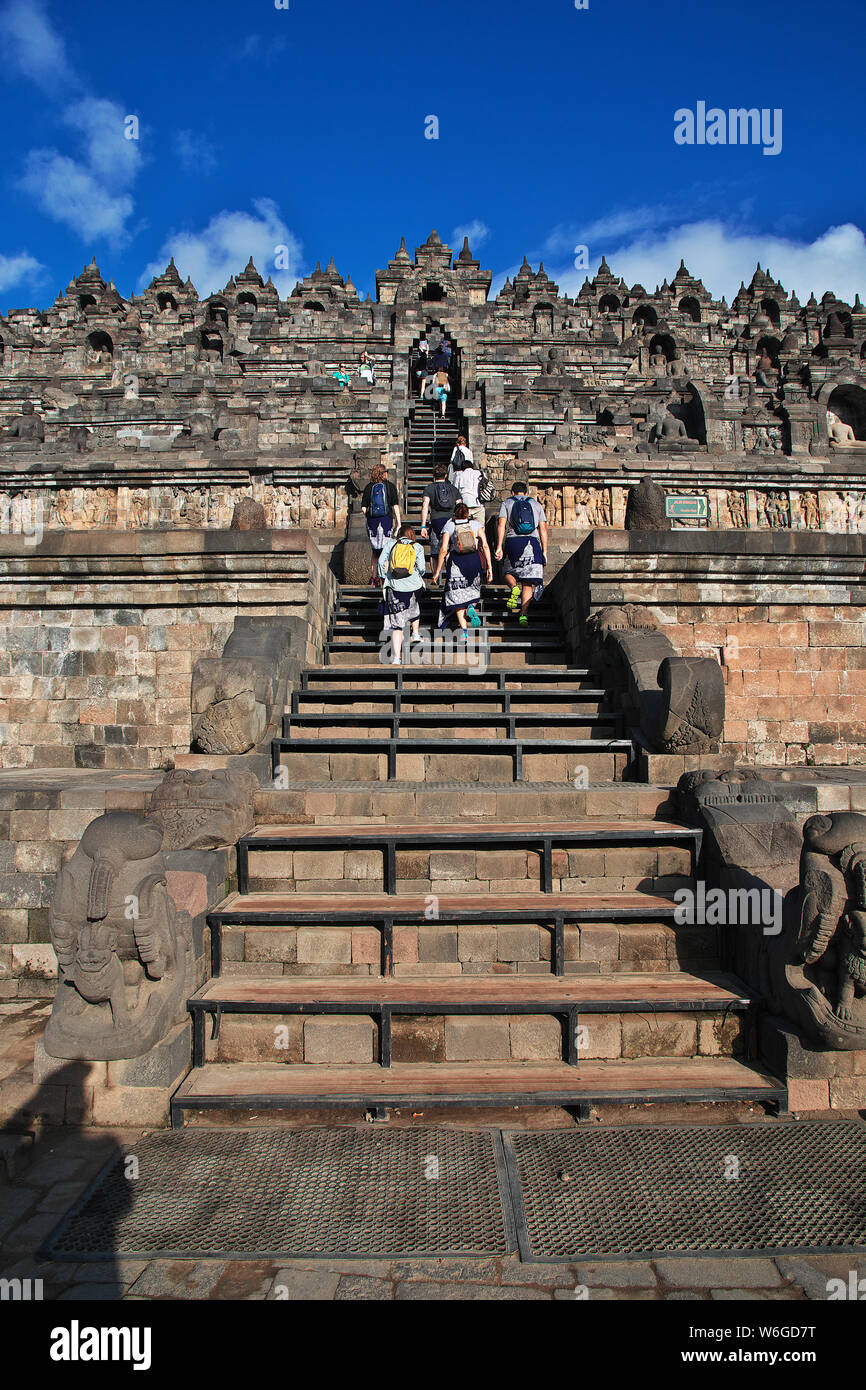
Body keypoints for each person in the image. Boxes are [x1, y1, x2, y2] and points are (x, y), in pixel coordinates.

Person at [433, 502, 493, 636]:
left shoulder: (450, 525)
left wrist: (437, 571)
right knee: (473, 591)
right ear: (467, 514)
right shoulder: (476, 525)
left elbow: (443, 549)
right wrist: (489, 566)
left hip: (456, 562)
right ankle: (471, 606)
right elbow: (485, 546)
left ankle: (464, 631)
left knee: (458, 598)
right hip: (473, 560)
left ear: (454, 513)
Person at [495, 480, 548, 626]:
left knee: (507, 571)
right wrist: (545, 551)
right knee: (528, 582)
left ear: (512, 492)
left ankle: (514, 588)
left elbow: (501, 525)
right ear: (526, 492)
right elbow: (543, 529)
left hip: (514, 541)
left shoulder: (507, 503)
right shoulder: (536, 505)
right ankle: (523, 614)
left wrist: (499, 546)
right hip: (533, 543)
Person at [378, 524, 426, 664]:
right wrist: (416, 574)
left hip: (394, 586)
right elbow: (422, 568)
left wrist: (383, 577)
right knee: (414, 606)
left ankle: (397, 658)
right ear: (412, 535)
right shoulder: (417, 547)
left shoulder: (391, 544)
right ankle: (415, 633)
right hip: (414, 586)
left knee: (397, 625)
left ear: (399, 534)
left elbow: (381, 562)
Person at [361, 463, 401, 586]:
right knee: (387, 551)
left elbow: (363, 507)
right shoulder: (390, 487)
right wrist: (398, 522)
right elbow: (395, 506)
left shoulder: (369, 487)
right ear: (383, 473)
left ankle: (374, 578)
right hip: (386, 520)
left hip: (373, 521)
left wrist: (369, 517)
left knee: (375, 552)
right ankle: (384, 577)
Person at [420, 463, 459, 577]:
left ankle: (435, 577)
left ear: (434, 475)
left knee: (435, 552)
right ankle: (449, 575)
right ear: (446, 475)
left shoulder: (429, 488)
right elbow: (460, 505)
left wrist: (423, 526)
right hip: (451, 522)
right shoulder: (453, 489)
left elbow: (425, 506)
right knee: (449, 549)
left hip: (436, 521)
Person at [447, 450, 485, 524]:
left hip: (464, 506)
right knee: (480, 529)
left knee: (464, 528)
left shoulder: (458, 474)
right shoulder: (479, 473)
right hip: (478, 504)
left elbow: (455, 490)